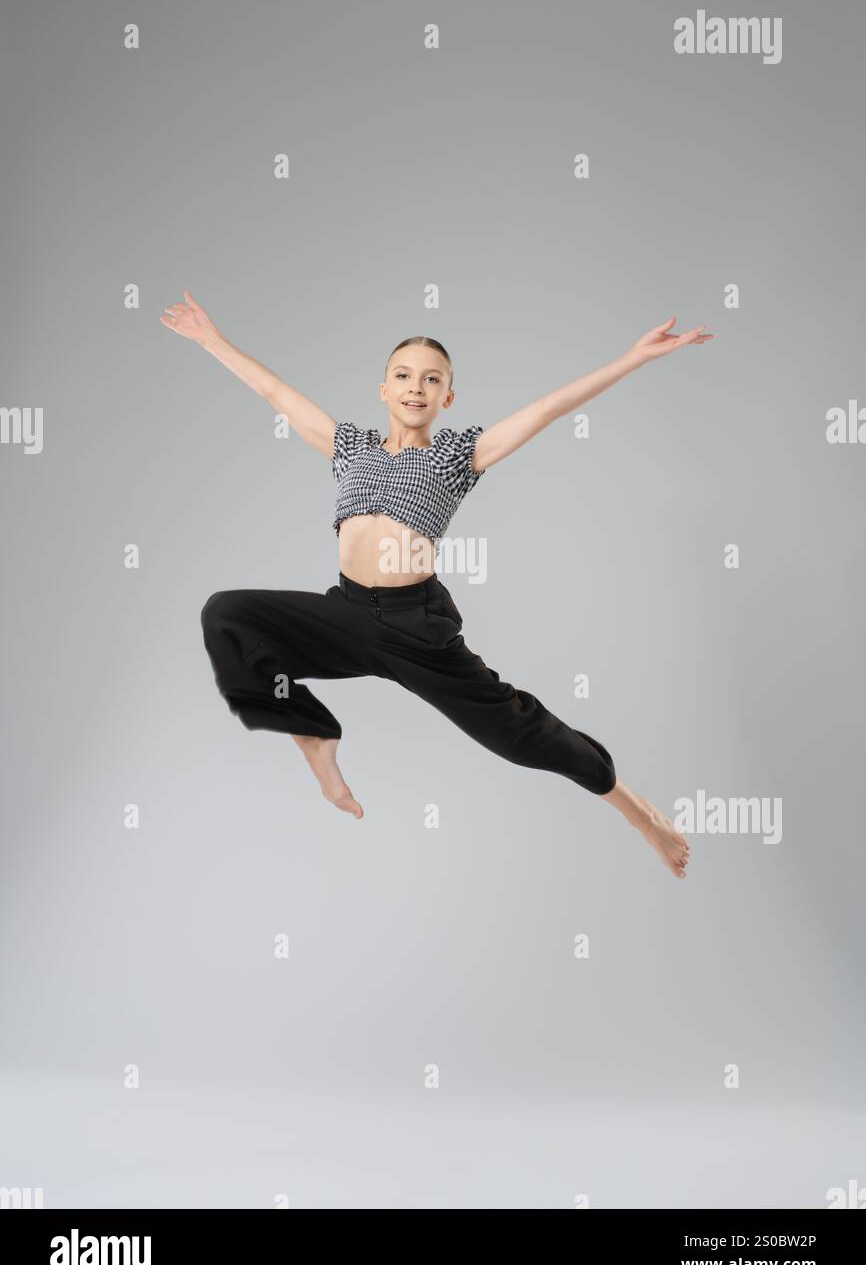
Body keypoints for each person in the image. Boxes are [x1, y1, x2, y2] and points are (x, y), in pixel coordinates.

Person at [161, 292, 712, 878]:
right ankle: (311, 731)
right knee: (226, 614)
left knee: (522, 735)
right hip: (346, 614)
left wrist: (633, 359)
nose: (415, 387)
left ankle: (638, 812)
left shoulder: (455, 457)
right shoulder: (349, 448)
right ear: (383, 389)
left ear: (447, 397)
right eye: (402, 375)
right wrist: (209, 339)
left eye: (431, 379)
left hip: (415, 627)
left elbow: (550, 408)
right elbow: (276, 393)